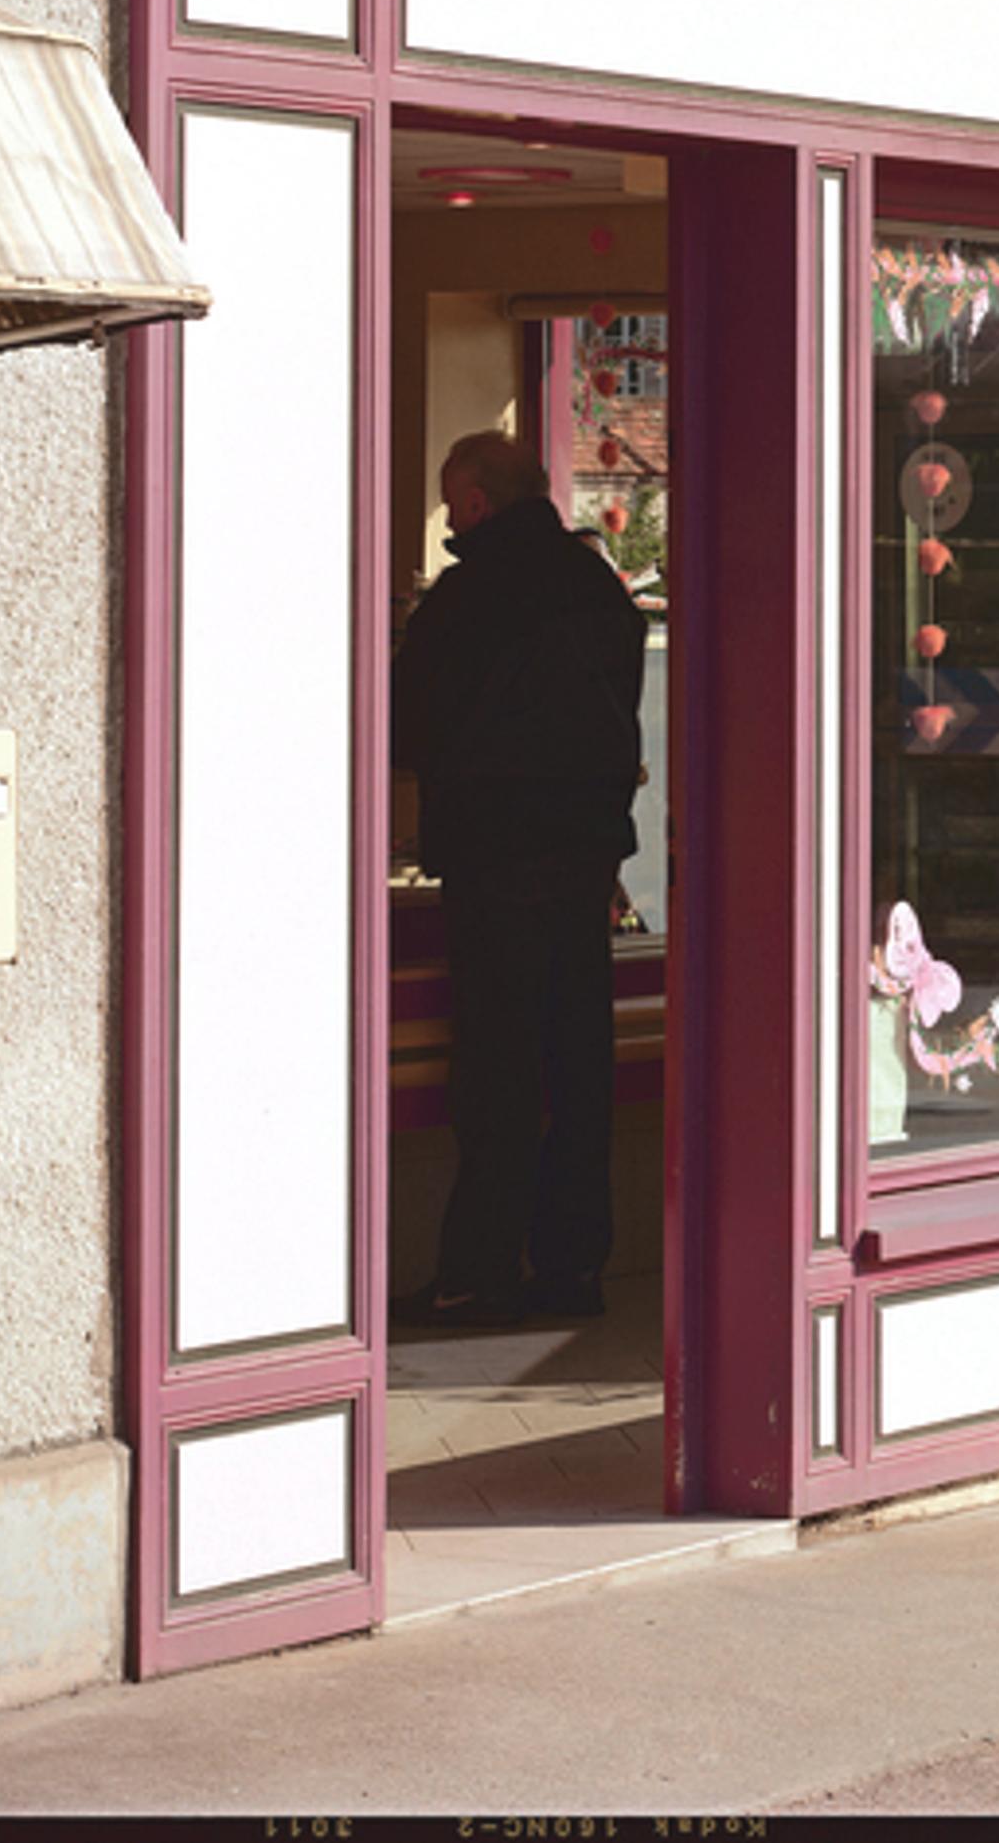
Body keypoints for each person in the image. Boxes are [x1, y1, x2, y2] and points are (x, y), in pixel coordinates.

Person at [391, 430, 648, 1327]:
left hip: (494, 856)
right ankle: (573, 1266)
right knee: (578, 1061)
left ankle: (480, 1270)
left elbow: (406, 726)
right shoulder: (598, 587)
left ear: (471, 502)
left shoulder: (466, 600)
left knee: (496, 1069)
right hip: (585, 858)